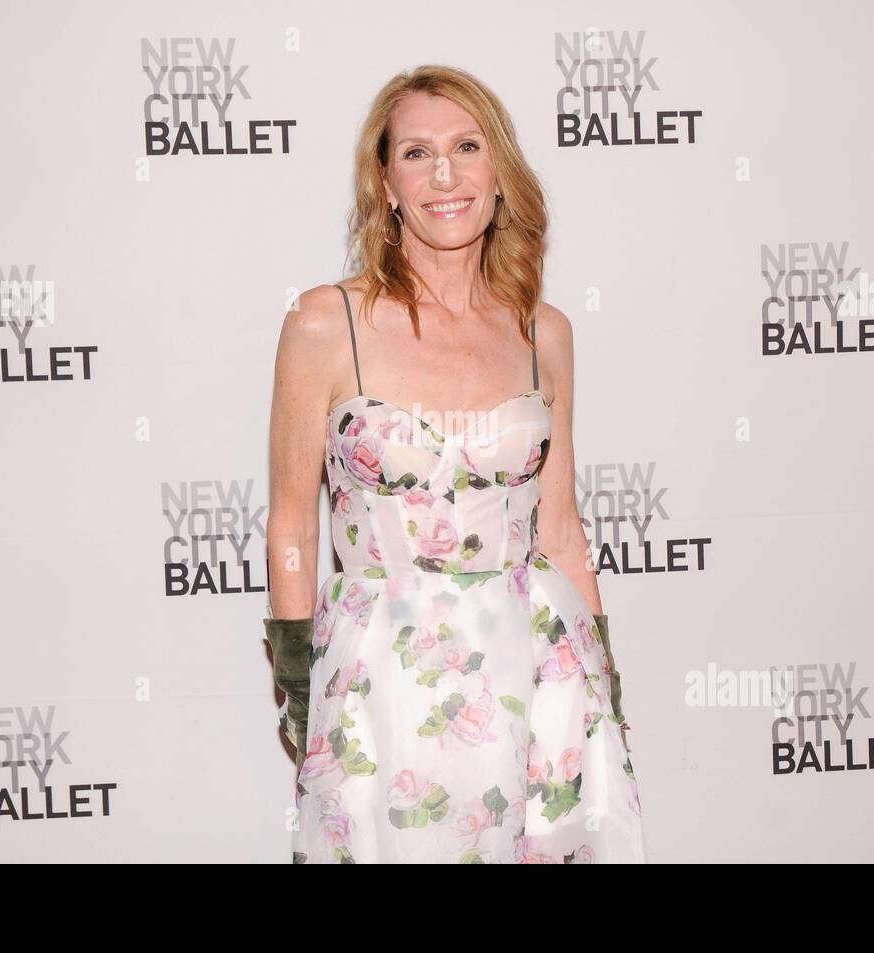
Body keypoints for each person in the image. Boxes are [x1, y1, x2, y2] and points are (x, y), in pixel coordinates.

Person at [263, 65, 646, 863]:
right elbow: (293, 520)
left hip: (538, 673)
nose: (444, 174)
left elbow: (563, 529)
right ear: (386, 183)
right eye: (416, 153)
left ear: (499, 172)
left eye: (467, 147)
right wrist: (303, 693)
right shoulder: (325, 323)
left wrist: (607, 690)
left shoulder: (545, 332)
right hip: (378, 686)